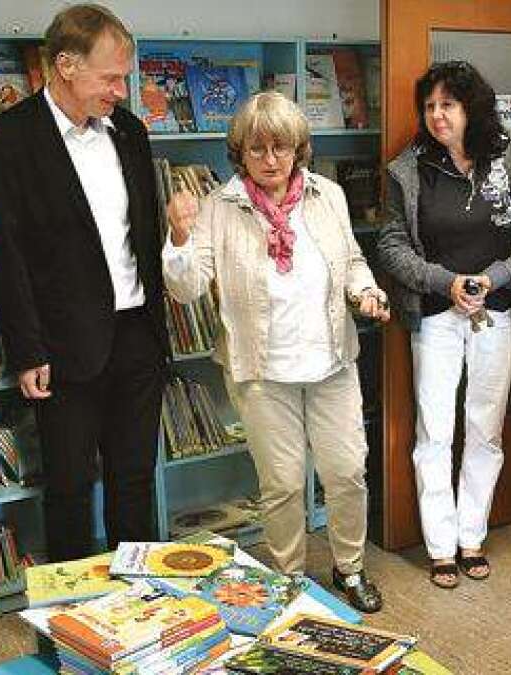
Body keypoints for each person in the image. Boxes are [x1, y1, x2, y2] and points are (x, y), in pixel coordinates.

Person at [163, 92, 388, 613]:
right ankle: (288, 578)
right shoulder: (219, 207)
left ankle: (349, 568)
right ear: (239, 153)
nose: (270, 159)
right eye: (257, 149)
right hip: (261, 370)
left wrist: (365, 291)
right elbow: (187, 288)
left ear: (298, 149)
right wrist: (177, 237)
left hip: (332, 361)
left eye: (281, 147)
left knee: (347, 471)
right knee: (283, 483)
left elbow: (351, 260)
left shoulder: (327, 195)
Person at [0, 4, 168, 563]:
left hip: (137, 335)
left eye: (125, 77)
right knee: (68, 489)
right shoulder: (8, 140)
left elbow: (145, 237)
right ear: (65, 65)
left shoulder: (130, 133)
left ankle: (140, 611)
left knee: (135, 481)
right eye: (111, 77)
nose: (121, 89)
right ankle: (73, 625)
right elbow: (4, 256)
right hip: (62, 348)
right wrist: (27, 348)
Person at [376, 60, 511, 589]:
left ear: (471, 106)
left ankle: (472, 534)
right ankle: (439, 546)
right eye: (429, 106)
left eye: (447, 105)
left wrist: (495, 277)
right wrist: (442, 281)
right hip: (436, 314)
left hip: (496, 314)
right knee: (434, 429)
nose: (436, 116)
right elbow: (390, 243)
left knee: (485, 427)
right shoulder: (410, 167)